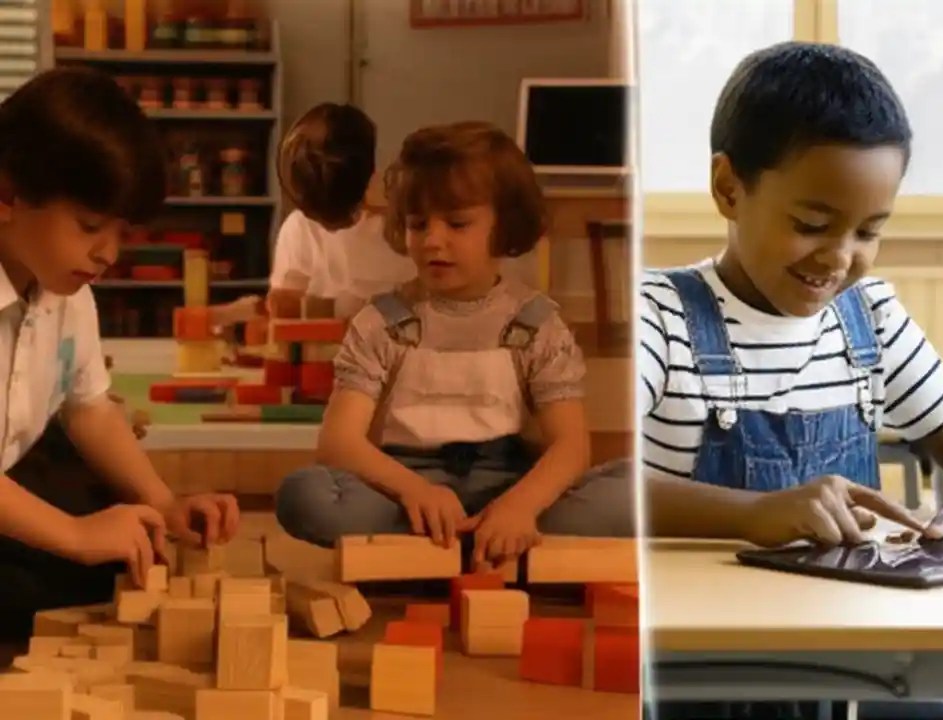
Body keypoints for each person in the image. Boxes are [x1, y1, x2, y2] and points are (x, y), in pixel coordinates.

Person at [640, 42, 943, 720]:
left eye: (869, 231)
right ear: (729, 188)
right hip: (693, 676)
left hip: (846, 666)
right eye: (811, 225)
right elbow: (593, 488)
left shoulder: (869, 318)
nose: (840, 258)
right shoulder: (658, 315)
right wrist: (752, 514)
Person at [275, 121, 632, 569]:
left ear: (504, 227)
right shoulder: (380, 322)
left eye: (457, 224)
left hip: (507, 482)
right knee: (305, 495)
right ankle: (469, 538)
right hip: (403, 489)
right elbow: (338, 442)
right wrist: (416, 491)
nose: (432, 240)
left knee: (630, 490)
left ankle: (473, 535)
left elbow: (571, 445)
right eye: (418, 224)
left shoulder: (536, 322)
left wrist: (519, 507)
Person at [0, 67, 240, 640]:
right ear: (6, 196)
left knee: (129, 536)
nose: (108, 253)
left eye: (121, 232)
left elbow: (89, 408)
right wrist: (76, 536)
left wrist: (166, 503)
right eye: (89, 226)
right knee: (39, 585)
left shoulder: (65, 290)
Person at [269, 102, 416, 320]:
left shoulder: (406, 226)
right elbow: (283, 308)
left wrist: (354, 307)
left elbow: (424, 308)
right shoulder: (299, 228)